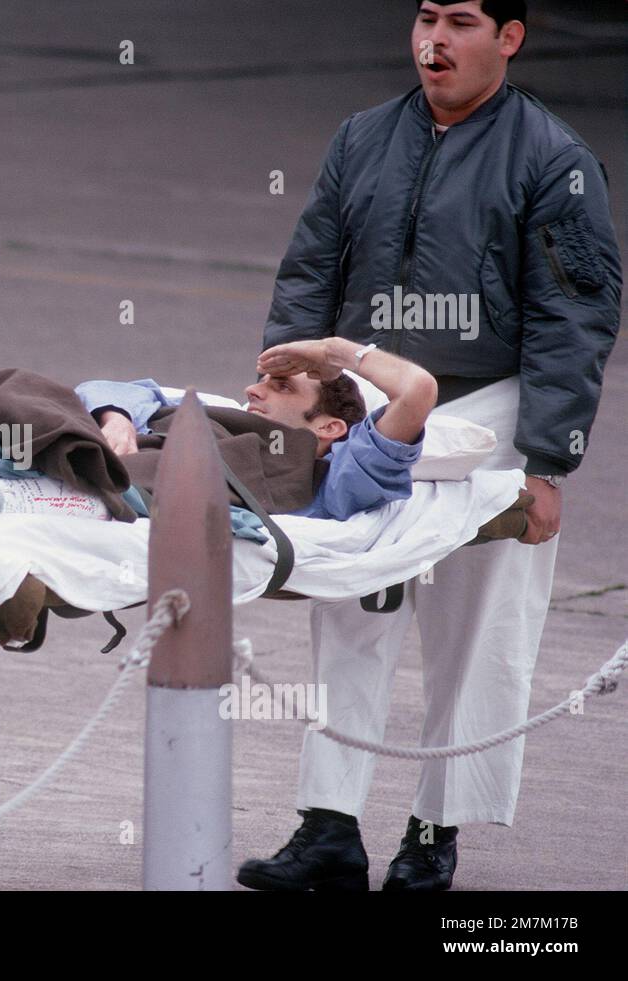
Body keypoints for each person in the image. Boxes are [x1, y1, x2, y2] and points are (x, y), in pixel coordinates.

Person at [239, 0, 621, 890]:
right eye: (424, 17)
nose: (433, 40)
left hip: (495, 414)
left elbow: (576, 316)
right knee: (349, 608)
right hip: (373, 413)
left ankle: (433, 835)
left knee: (479, 631)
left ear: (510, 38)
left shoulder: (555, 160)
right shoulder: (362, 137)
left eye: (460, 22)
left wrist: (549, 463)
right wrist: (284, 406)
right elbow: (310, 268)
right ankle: (328, 827)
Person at [77, 336, 438, 521]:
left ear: (329, 427)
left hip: (113, 489)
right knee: (28, 390)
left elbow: (417, 390)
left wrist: (334, 352)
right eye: (261, 381)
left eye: (282, 386)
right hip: (91, 462)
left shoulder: (338, 480)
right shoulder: (218, 413)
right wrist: (116, 418)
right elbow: (103, 390)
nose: (252, 390)